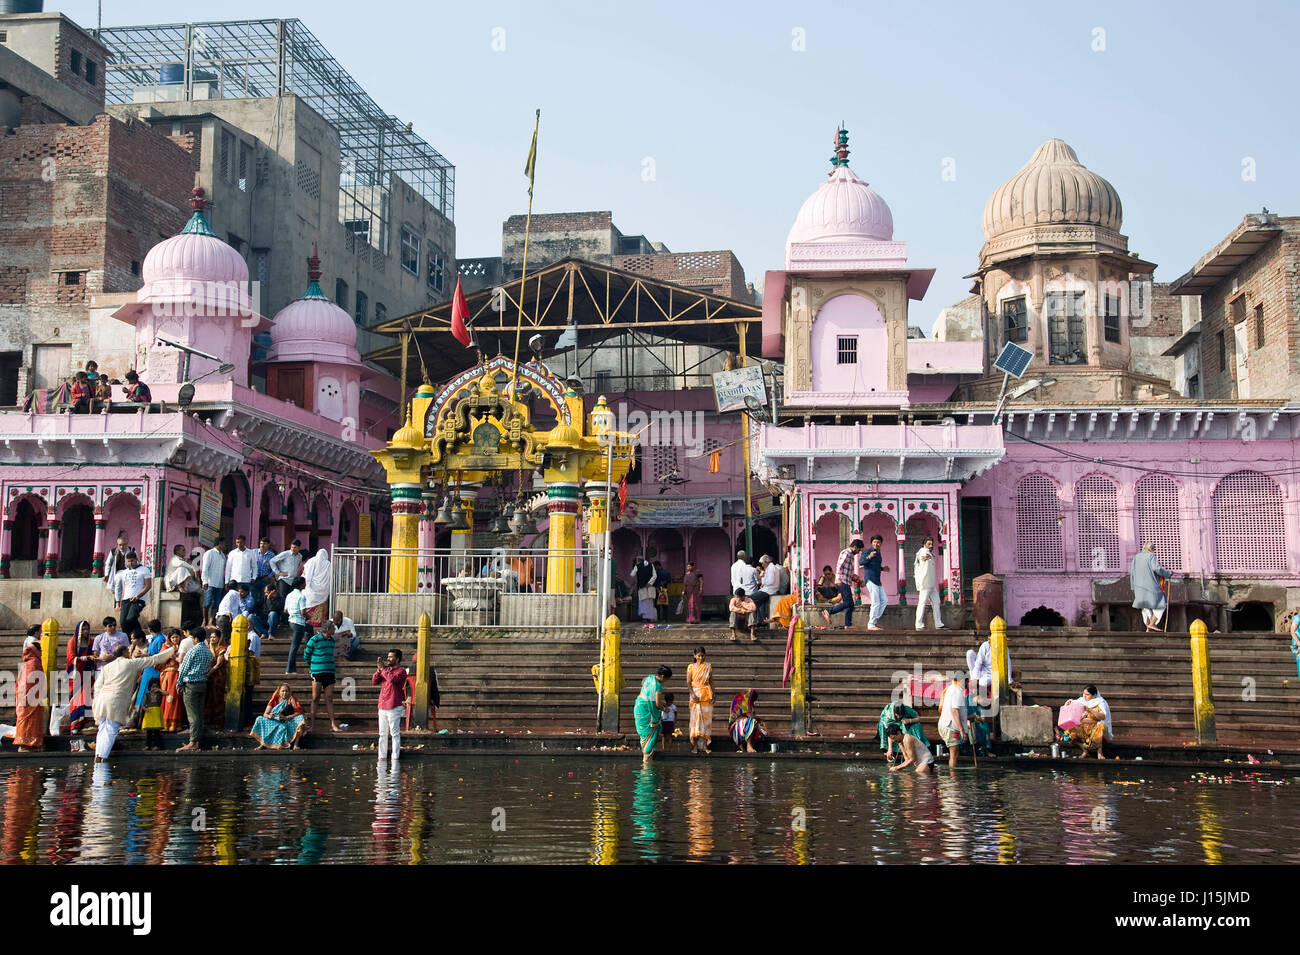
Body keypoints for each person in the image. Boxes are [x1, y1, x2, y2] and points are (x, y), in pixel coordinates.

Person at [90, 642, 175, 761]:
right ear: (124, 653)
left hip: (102, 699)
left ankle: (98, 756)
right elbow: (154, 659)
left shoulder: (107, 667)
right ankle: (102, 757)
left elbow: (98, 687)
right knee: (111, 729)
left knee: (103, 728)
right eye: (127, 651)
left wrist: (95, 706)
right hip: (116, 700)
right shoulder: (130, 663)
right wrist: (171, 650)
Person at [175, 629, 214, 752]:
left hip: (191, 684)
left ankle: (193, 742)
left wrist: (179, 683)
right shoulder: (208, 652)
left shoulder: (193, 651)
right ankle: (197, 740)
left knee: (193, 714)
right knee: (199, 712)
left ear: (195, 639)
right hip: (202, 683)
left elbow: (184, 669)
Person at [303, 620, 339, 733]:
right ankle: (312, 725)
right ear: (327, 629)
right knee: (315, 698)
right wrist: (314, 665)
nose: (334, 629)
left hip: (330, 671)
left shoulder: (332, 640)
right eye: (333, 627)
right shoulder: (314, 639)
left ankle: (333, 724)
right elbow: (306, 655)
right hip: (317, 672)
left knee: (329, 698)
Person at [373, 649, 409, 760]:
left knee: (394, 733)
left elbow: (391, 679)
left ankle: (395, 757)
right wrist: (379, 670)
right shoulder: (386, 670)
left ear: (397, 659)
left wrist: (383, 669)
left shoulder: (401, 671)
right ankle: (382, 757)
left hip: (394, 705)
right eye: (388, 657)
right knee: (382, 734)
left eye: (391, 657)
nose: (388, 659)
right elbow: (374, 681)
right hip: (382, 705)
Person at [1130, 542, 1173, 632]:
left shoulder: (1136, 557)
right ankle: (1152, 624)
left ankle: (1148, 629)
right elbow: (1156, 569)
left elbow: (1132, 573)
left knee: (1145, 608)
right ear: (1151, 550)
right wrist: (1168, 574)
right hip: (1151, 588)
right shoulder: (1151, 557)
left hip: (1139, 588)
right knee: (1160, 605)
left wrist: (1133, 587)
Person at [250, 683, 307, 750]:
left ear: (289, 692)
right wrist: (269, 716)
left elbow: (299, 712)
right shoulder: (274, 699)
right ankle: (263, 744)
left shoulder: (292, 699)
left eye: (286, 691)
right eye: (283, 691)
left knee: (301, 718)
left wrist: (287, 717)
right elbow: (265, 714)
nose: (284, 693)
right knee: (259, 719)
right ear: (279, 692)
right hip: (275, 720)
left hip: (289, 721)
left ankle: (296, 744)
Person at [64, 620, 96, 734]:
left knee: (86, 697)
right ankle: (75, 724)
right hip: (75, 673)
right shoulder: (72, 641)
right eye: (83, 629)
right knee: (76, 698)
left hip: (88, 672)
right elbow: (70, 658)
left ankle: (85, 723)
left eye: (87, 629)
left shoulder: (91, 642)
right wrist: (85, 658)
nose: (86, 631)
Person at [633, 665, 672, 761]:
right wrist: (665, 709)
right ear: (662, 676)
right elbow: (658, 704)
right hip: (647, 710)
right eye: (666, 679)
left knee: (644, 733)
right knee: (651, 731)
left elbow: (647, 696)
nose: (665, 681)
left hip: (639, 706)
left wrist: (660, 704)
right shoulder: (658, 686)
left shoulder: (649, 678)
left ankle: (646, 753)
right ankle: (647, 756)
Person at [111, 551, 152, 638]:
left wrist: (137, 596)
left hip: (138, 599)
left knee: (131, 618)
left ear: (136, 560)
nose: (130, 563)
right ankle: (129, 640)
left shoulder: (144, 570)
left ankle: (140, 636)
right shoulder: (124, 572)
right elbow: (124, 587)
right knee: (123, 622)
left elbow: (148, 586)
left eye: (132, 561)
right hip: (126, 599)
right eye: (128, 561)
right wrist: (120, 602)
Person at [1064, 684, 1113, 758]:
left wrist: (1089, 710)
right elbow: (1072, 704)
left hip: (1096, 727)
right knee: (1071, 728)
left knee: (1100, 726)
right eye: (1084, 694)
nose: (1084, 696)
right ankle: (1085, 751)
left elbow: (1103, 717)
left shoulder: (1100, 702)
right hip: (1085, 727)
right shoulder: (1081, 700)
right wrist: (1069, 703)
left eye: (1087, 694)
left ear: (1094, 695)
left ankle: (1100, 752)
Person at [14, 633, 45, 751]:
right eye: (40, 650)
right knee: (31, 722)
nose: (42, 652)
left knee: (26, 722)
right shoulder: (34, 662)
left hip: (24, 699)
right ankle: (29, 744)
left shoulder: (26, 663)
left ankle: (25, 744)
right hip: (31, 699)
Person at [830, 539, 864, 629]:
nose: (859, 552)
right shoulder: (846, 553)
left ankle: (848, 625)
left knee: (850, 604)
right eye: (859, 549)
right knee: (848, 602)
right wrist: (839, 579)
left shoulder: (850, 555)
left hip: (845, 581)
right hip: (842, 582)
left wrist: (856, 579)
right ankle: (828, 611)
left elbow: (847, 571)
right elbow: (839, 566)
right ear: (855, 547)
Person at [913, 537, 945, 631]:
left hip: (931, 584)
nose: (930, 546)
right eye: (929, 544)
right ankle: (918, 624)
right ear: (924, 544)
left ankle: (938, 623)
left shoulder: (929, 553)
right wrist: (926, 557)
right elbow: (923, 557)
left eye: (931, 544)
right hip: (925, 583)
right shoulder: (923, 551)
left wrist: (929, 556)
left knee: (936, 601)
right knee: (922, 603)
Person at [860, 534, 890, 631]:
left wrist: (882, 568)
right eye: (874, 542)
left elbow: (874, 565)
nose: (876, 544)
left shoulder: (878, 552)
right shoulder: (868, 551)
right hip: (870, 578)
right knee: (876, 602)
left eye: (878, 542)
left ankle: (874, 620)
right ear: (871, 543)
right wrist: (869, 557)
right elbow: (861, 562)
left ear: (881, 543)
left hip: (877, 580)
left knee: (884, 600)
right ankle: (871, 624)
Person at [938, 674, 968, 769]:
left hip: (947, 725)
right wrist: (962, 730)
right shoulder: (957, 691)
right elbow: (955, 710)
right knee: (954, 754)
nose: (968, 684)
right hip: (950, 727)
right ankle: (953, 780)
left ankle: (955, 778)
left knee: (955, 753)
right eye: (967, 681)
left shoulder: (951, 688)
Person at [134, 619, 166, 710]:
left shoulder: (160, 639)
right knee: (143, 694)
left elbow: (160, 656)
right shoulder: (154, 639)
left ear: (150, 629)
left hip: (154, 670)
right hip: (148, 669)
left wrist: (146, 655)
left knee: (150, 694)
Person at [686, 646, 713, 754]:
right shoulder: (690, 667)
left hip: (707, 696)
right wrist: (692, 694)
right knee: (695, 721)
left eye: (702, 655)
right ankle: (695, 746)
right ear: (695, 656)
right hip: (695, 696)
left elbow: (711, 681)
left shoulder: (708, 666)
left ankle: (705, 746)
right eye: (699, 656)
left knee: (706, 722)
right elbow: (688, 682)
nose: (701, 658)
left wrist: (714, 694)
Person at [158, 629, 185, 732]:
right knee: (167, 697)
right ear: (169, 638)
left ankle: (175, 724)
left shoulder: (182, 647)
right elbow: (159, 661)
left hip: (177, 674)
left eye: (177, 637)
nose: (175, 639)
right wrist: (171, 655)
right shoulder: (165, 647)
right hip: (167, 675)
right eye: (173, 637)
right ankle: (165, 724)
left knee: (176, 698)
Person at [302, 547, 332, 629]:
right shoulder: (328, 564)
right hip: (324, 590)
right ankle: (319, 623)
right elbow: (330, 577)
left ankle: (308, 622)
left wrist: (307, 585)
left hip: (311, 589)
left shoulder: (311, 561)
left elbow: (306, 573)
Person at [203, 631, 229, 727]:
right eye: (211, 637)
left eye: (214, 637)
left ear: (219, 638)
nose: (212, 639)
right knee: (209, 698)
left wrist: (209, 673)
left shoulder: (221, 649)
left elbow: (218, 664)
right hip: (209, 677)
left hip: (218, 677)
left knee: (217, 698)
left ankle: (218, 721)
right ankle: (208, 719)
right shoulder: (208, 648)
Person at [200, 536, 227, 627]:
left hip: (219, 583)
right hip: (210, 582)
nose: (224, 545)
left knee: (215, 603)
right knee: (207, 602)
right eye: (223, 543)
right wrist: (204, 581)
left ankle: (211, 621)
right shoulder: (209, 553)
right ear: (220, 543)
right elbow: (205, 568)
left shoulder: (223, 555)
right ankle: (204, 620)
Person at [284, 576, 309, 674]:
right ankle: (289, 669)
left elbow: (285, 610)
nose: (305, 584)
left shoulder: (289, 595)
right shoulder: (301, 596)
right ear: (301, 584)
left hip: (291, 621)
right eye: (304, 583)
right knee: (294, 646)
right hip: (299, 622)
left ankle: (308, 647)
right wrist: (308, 616)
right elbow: (303, 612)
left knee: (309, 629)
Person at [728, 689, 765, 753]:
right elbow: (750, 716)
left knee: (761, 728)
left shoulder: (750, 704)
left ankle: (744, 747)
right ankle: (749, 746)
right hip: (735, 729)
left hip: (739, 730)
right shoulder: (743, 701)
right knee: (752, 721)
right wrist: (760, 719)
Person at [252, 537, 276, 611]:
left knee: (264, 597)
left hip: (265, 579)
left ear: (268, 545)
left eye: (264, 544)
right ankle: (254, 612)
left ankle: (263, 613)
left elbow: (275, 568)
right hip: (254, 579)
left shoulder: (271, 555)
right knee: (254, 596)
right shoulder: (254, 552)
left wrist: (269, 576)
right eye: (261, 543)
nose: (262, 545)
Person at [141, 679, 165, 751]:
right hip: (149, 714)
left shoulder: (159, 694)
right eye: (152, 687)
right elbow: (143, 705)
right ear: (149, 687)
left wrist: (159, 690)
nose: (154, 688)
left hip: (157, 714)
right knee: (149, 731)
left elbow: (166, 693)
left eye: (156, 687)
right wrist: (145, 709)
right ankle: (148, 745)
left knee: (157, 731)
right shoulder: (147, 695)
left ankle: (157, 745)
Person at [758, 555, 781, 625]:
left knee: (753, 598)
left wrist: (763, 580)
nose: (762, 565)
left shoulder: (771, 568)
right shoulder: (769, 568)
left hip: (770, 590)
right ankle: (762, 619)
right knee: (762, 602)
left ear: (767, 562)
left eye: (762, 563)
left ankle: (761, 620)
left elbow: (770, 582)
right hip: (768, 589)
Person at [632, 557, 657, 623]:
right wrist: (649, 583)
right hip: (650, 587)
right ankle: (651, 618)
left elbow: (632, 574)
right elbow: (655, 576)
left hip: (642, 587)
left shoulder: (637, 566)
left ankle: (644, 618)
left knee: (643, 603)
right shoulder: (651, 565)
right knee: (650, 603)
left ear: (638, 561)